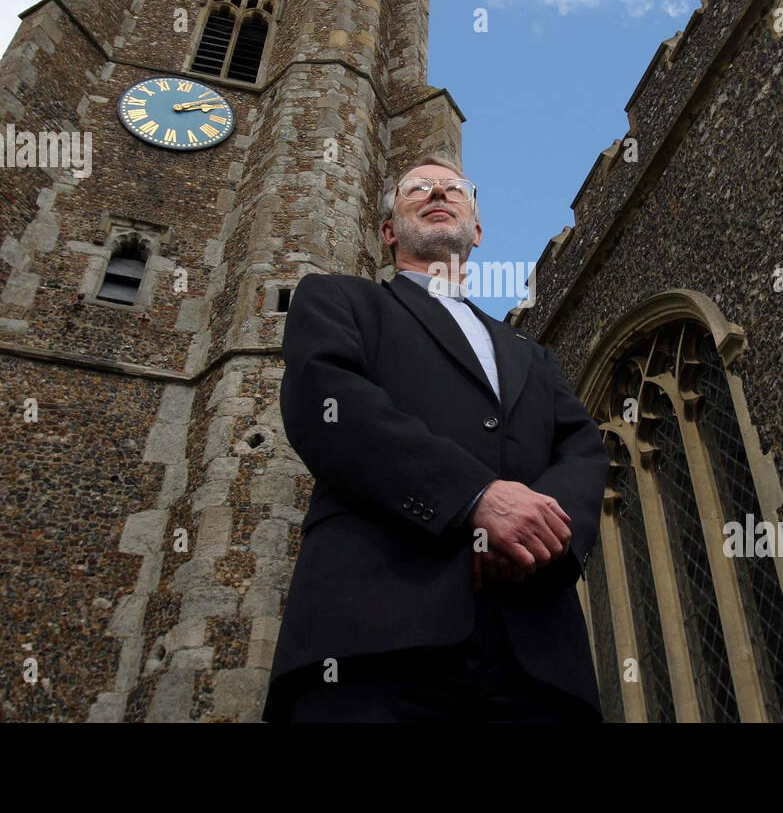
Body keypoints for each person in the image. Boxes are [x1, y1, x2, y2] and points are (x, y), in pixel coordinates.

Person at [261, 152, 609, 722]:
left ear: (476, 228)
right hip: (373, 648)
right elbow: (328, 403)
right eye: (417, 188)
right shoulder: (339, 298)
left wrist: (540, 540)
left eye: (454, 189)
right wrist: (474, 498)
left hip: (539, 666)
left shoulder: (531, 354)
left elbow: (584, 451)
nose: (438, 193)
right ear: (389, 230)